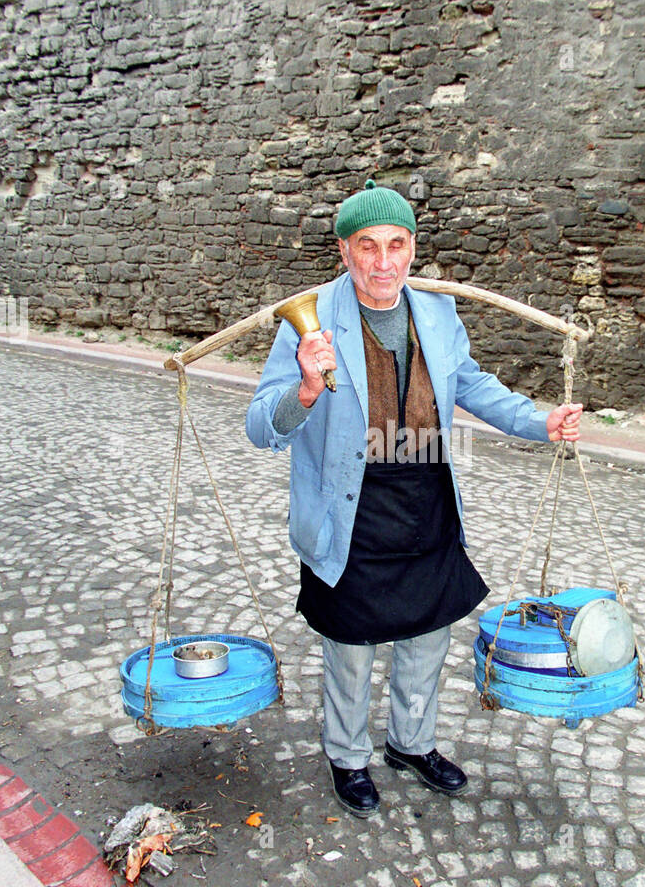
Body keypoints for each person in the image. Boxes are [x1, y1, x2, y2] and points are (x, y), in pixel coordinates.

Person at [246, 180, 582, 818]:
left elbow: (472, 385)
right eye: (367, 246)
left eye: (395, 244)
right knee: (351, 647)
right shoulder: (309, 320)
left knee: (428, 636)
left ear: (412, 248)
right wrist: (309, 389)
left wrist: (540, 422)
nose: (382, 261)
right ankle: (348, 756)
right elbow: (261, 427)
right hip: (352, 508)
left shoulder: (436, 312)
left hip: (426, 498)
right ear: (345, 252)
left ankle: (411, 743)